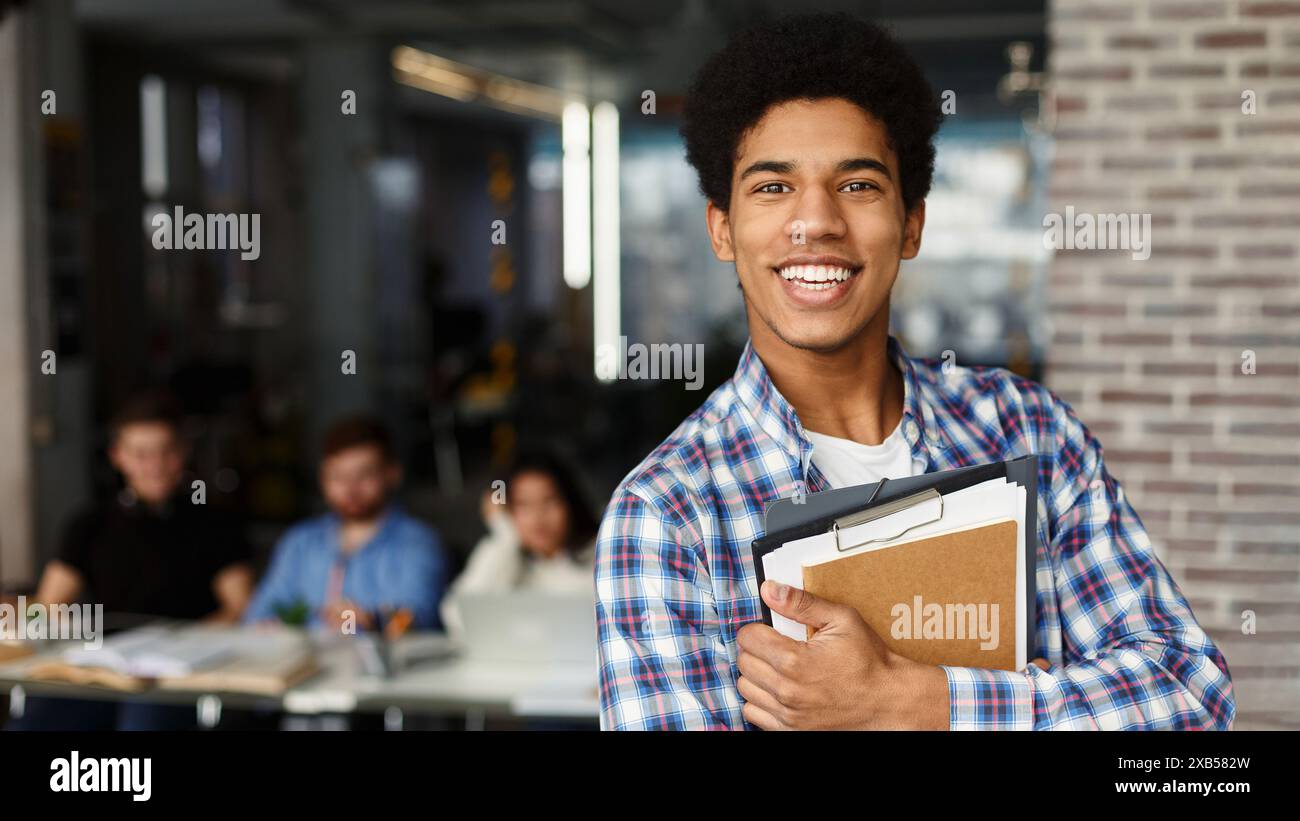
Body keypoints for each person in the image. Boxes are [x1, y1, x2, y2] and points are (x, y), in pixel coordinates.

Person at [594, 12, 1234, 731]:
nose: (816, 222)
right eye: (773, 188)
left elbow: (1189, 692)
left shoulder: (1030, 429)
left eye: (858, 185)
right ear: (721, 228)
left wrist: (911, 700)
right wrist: (1036, 702)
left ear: (912, 224)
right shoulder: (667, 512)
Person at [8, 392, 254, 731]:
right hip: (104, 669)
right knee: (33, 724)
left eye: (165, 452)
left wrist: (186, 644)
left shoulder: (216, 524)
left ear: (182, 453)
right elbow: (48, 604)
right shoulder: (89, 523)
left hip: (180, 673)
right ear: (118, 457)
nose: (154, 465)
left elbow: (240, 606)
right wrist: (19, 617)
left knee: (142, 725)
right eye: (140, 454)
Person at [244, 415, 448, 632]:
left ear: (392, 474)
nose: (350, 489)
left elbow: (421, 615)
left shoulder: (418, 542)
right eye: (338, 477)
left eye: (364, 475)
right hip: (307, 661)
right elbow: (260, 612)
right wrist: (270, 626)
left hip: (382, 661)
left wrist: (374, 620)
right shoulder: (300, 542)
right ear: (322, 479)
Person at [441, 452, 597, 633]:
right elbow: (456, 617)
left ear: (569, 503)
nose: (538, 518)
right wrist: (505, 536)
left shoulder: (600, 553)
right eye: (524, 505)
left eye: (549, 501)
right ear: (508, 510)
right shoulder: (503, 550)